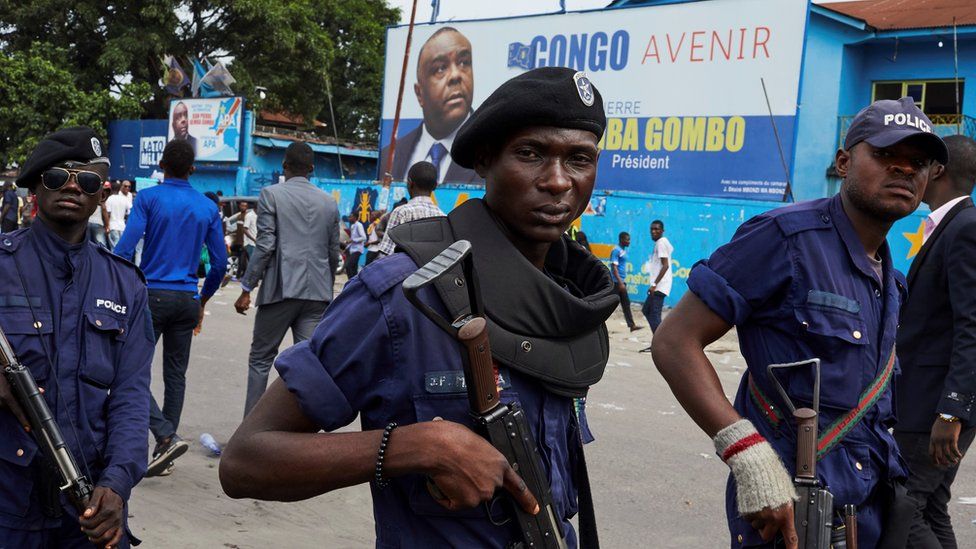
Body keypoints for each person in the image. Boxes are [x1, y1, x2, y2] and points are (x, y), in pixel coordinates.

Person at [220, 67, 618, 548]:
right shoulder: (400, 296)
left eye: (578, 159)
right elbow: (245, 461)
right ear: (485, 161)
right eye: (531, 154)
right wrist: (414, 447)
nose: (557, 181)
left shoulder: (569, 302)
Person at [650, 97, 949, 548]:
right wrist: (748, 458)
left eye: (918, 162)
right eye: (886, 155)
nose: (904, 170)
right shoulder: (783, 237)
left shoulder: (892, 281)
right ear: (844, 162)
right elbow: (674, 341)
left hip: (868, 510)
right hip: (790, 506)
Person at [0, 127, 153, 548]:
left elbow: (131, 395)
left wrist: (118, 483)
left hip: (88, 501)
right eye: (56, 178)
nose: (71, 187)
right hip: (8, 498)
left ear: (100, 197)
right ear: (34, 187)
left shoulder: (125, 285)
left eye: (86, 181)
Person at [113, 139, 227, 477]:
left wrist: (120, 285)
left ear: (162, 166)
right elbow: (219, 264)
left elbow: (124, 249)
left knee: (130, 370)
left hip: (151, 296)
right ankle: (167, 450)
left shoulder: (148, 198)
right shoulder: (207, 207)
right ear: (193, 168)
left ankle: (164, 434)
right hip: (187, 298)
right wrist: (203, 299)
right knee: (176, 375)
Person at [894, 134, 976, 549]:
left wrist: (951, 412)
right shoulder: (948, 225)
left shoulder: (965, 228)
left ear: (939, 170)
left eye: (920, 164)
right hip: (930, 401)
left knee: (901, 509)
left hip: (933, 407)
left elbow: (973, 324)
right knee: (928, 506)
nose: (911, 173)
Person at [233, 142, 341, 417]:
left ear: (284, 165)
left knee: (260, 359)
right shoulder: (329, 203)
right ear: (312, 169)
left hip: (280, 289)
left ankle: (250, 433)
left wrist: (247, 286)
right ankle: (300, 430)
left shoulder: (271, 195)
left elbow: (266, 245)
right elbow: (332, 252)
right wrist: (325, 290)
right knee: (309, 363)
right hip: (317, 293)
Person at [379, 27, 482, 185]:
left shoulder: (490, 153)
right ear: (419, 94)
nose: (456, 75)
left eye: (464, 62)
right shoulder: (389, 156)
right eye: (440, 68)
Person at [377, 161, 447, 256]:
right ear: (435, 186)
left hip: (403, 269)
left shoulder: (401, 212)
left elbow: (385, 253)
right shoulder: (443, 216)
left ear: (410, 183)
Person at [639, 220, 673, 352]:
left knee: (654, 314)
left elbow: (665, 265)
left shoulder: (661, 243)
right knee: (647, 310)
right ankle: (658, 342)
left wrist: (654, 284)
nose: (653, 231)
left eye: (657, 229)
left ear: (662, 230)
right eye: (652, 229)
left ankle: (661, 345)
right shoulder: (662, 242)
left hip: (659, 286)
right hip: (659, 285)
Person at [609, 231, 642, 332]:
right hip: (616, 282)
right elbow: (614, 268)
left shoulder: (622, 250)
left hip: (621, 282)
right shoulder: (616, 250)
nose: (629, 242)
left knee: (626, 303)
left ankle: (631, 325)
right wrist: (620, 282)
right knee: (609, 304)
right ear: (621, 240)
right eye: (627, 239)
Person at [226, 200, 257, 278]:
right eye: (241, 205)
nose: (243, 207)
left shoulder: (247, 216)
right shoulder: (239, 216)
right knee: (242, 259)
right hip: (239, 242)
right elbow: (237, 228)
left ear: (247, 207)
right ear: (239, 206)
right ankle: (239, 275)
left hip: (246, 241)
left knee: (247, 260)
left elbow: (246, 229)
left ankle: (245, 276)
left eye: (244, 206)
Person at [104, 180, 131, 250]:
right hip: (122, 227)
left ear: (111, 189)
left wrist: (106, 226)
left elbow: (108, 214)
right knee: (121, 249)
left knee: (114, 249)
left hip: (112, 226)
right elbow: (130, 211)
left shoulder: (109, 199)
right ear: (120, 189)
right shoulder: (124, 199)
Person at [87, 181, 112, 246]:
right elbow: (104, 210)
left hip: (88, 222)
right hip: (98, 223)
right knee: (101, 245)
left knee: (87, 243)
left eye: (107, 190)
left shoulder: (91, 195)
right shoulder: (103, 198)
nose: (105, 192)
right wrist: (107, 226)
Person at [345, 213, 366, 279]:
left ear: (355, 217)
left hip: (357, 249)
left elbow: (364, 238)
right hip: (352, 249)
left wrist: (352, 240)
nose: (349, 218)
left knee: (349, 266)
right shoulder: (352, 226)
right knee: (353, 267)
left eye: (350, 217)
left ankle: (351, 281)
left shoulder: (359, 225)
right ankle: (354, 282)